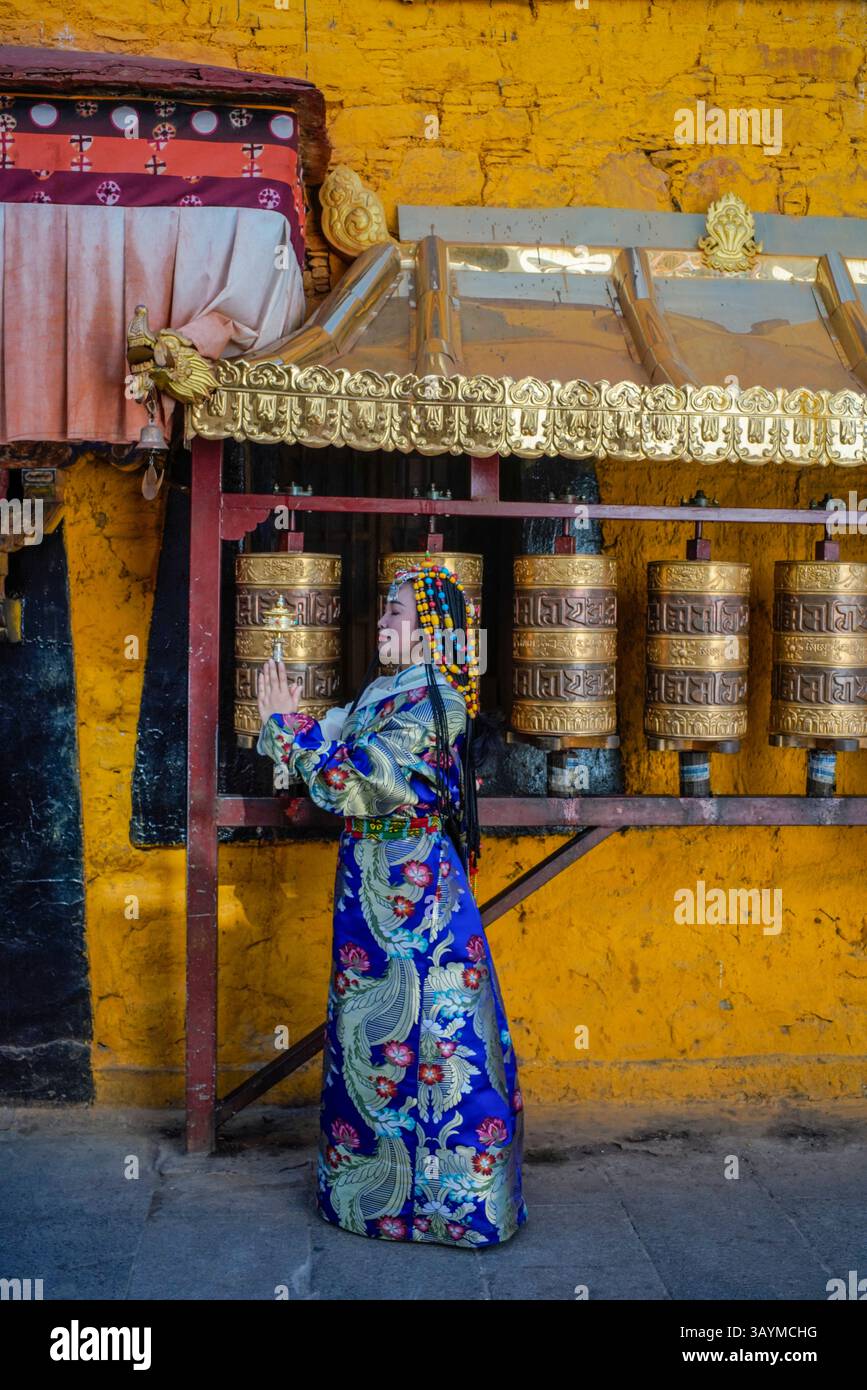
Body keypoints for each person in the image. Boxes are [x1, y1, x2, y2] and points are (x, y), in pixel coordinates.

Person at [256, 557, 528, 1247]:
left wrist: (288, 725)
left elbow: (359, 780)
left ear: (431, 631)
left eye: (395, 611)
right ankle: (372, 1199)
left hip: (417, 896)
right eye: (383, 607)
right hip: (375, 886)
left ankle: (455, 1213)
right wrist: (294, 736)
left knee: (433, 1037)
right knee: (372, 1037)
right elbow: (327, 766)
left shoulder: (437, 702)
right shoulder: (389, 694)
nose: (381, 620)